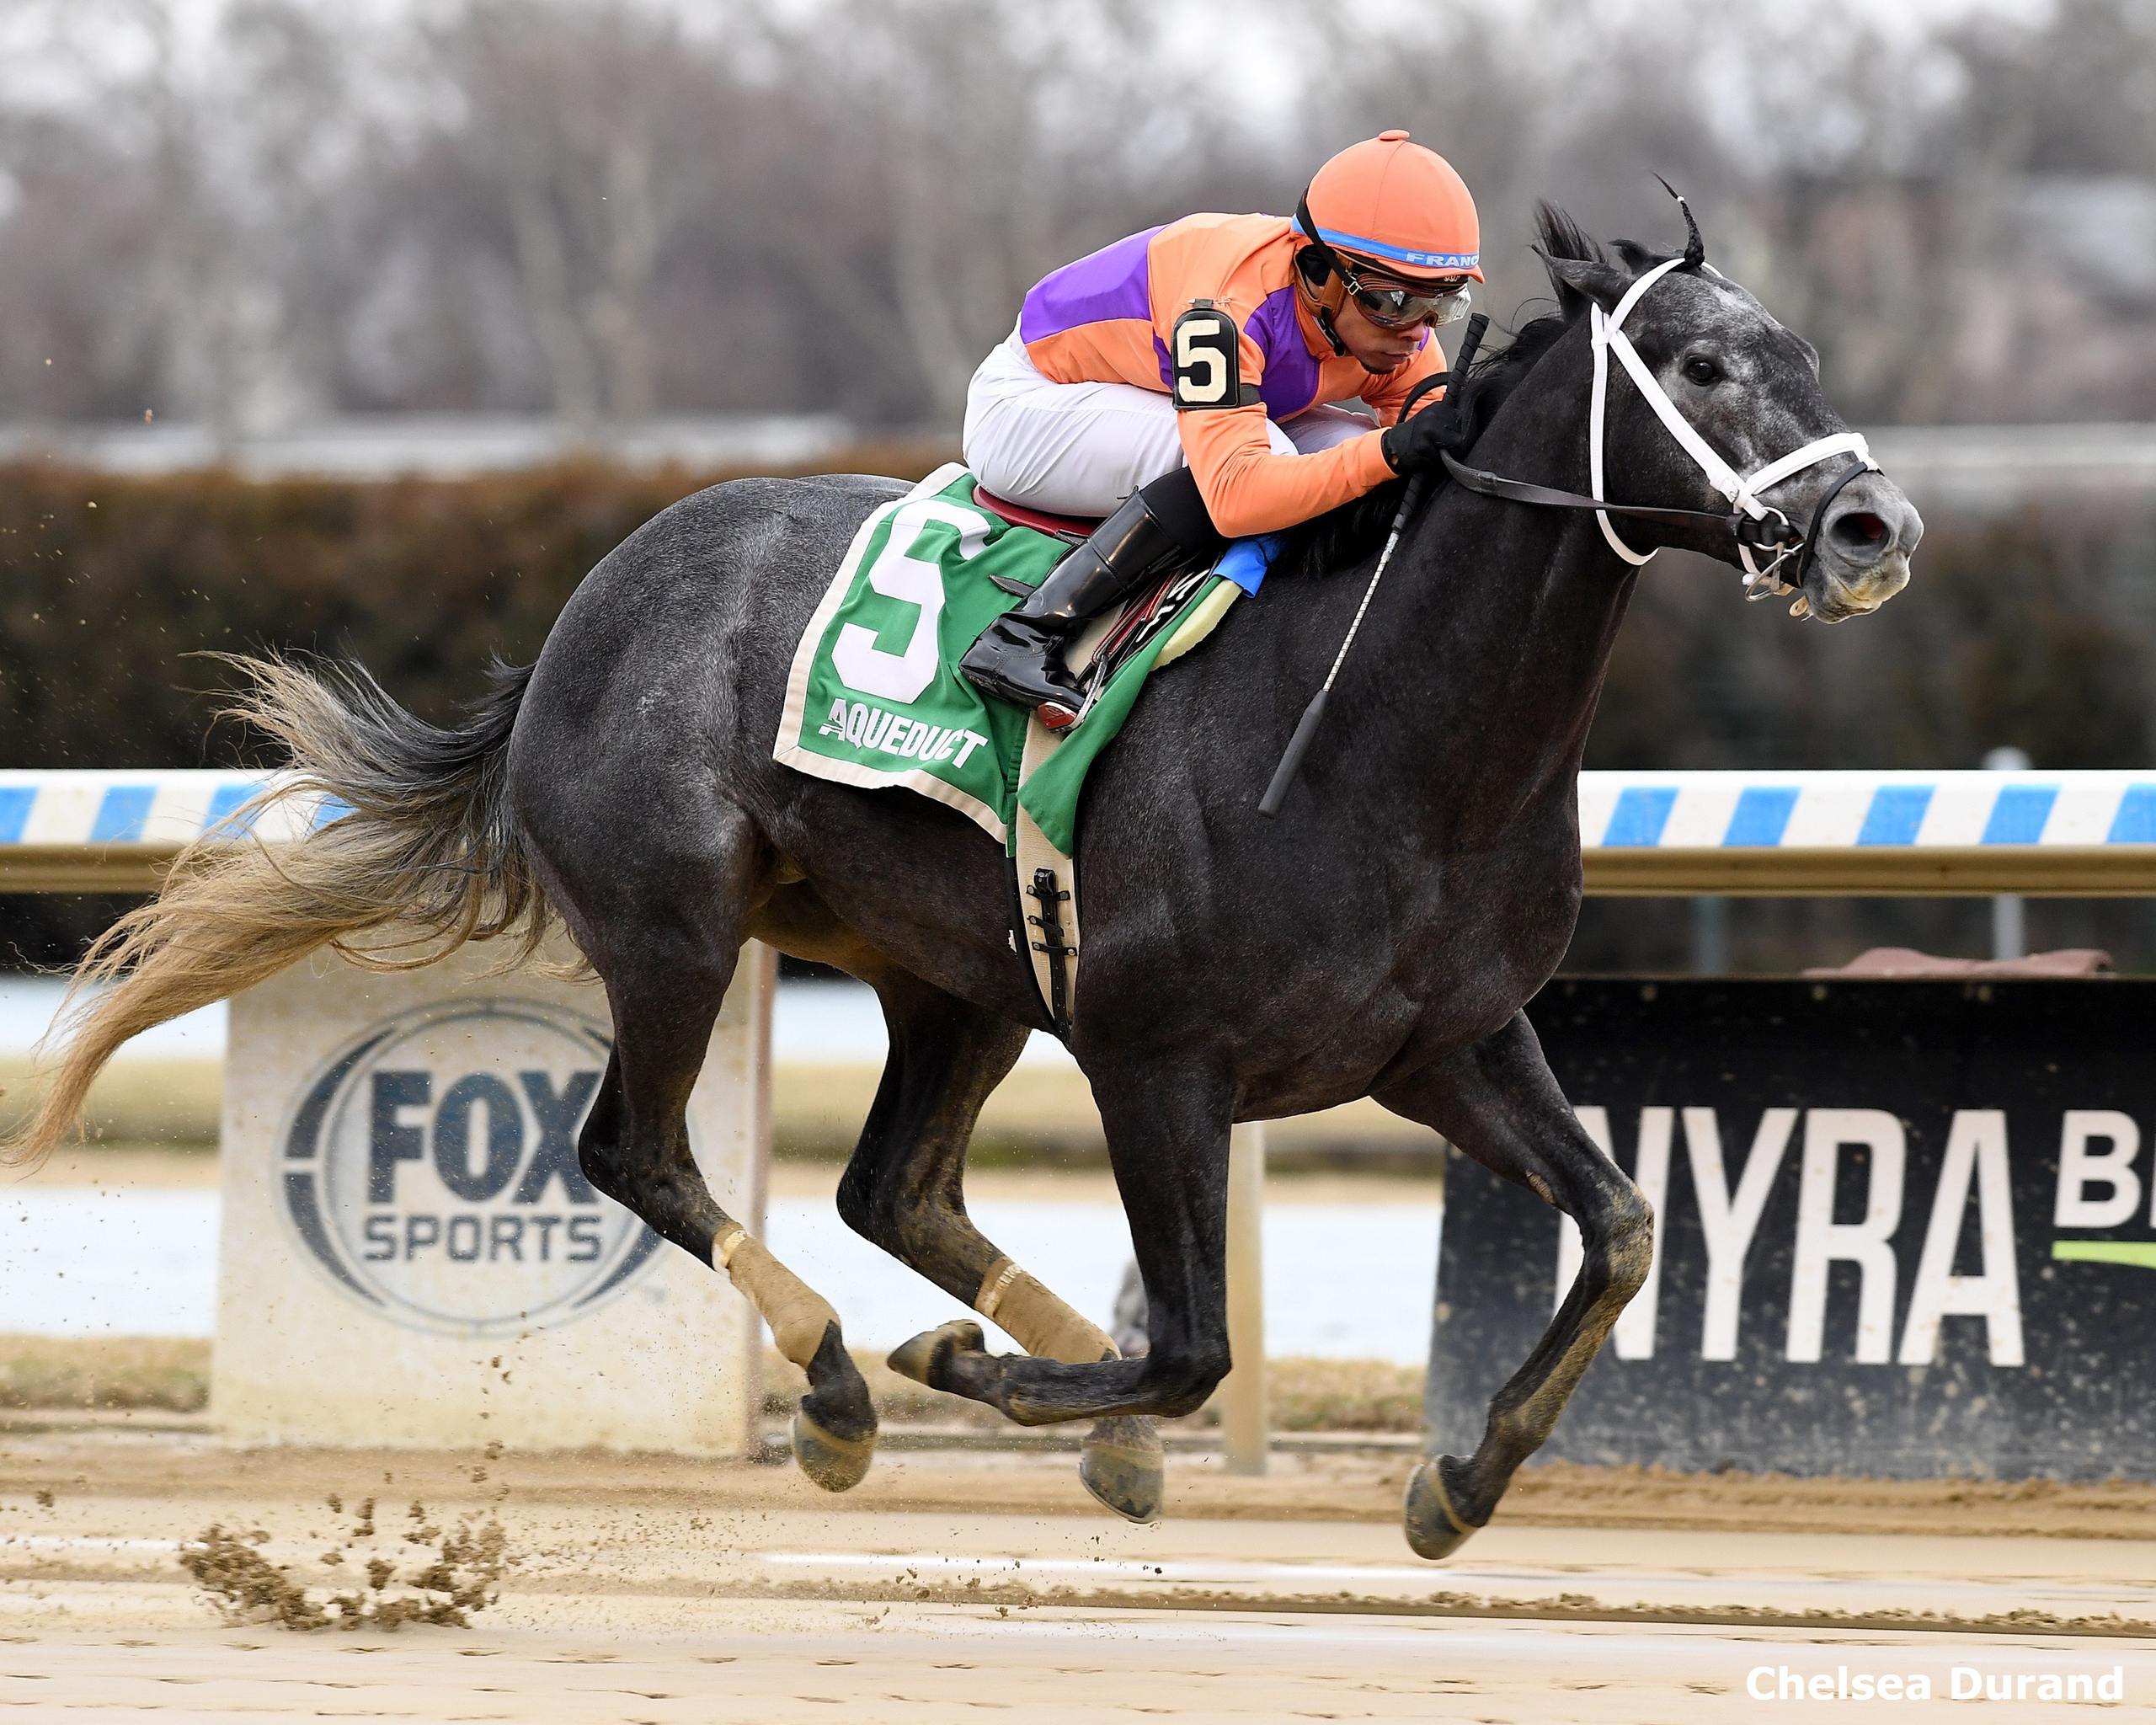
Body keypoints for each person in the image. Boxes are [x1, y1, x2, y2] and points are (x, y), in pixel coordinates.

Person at [959, 130, 1483, 721]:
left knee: (1354, 458)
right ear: (1318, 272)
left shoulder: (1391, 325)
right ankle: (1024, 635)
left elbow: (1418, 456)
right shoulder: (1224, 308)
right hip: (1031, 403)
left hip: (1145, 391)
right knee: (1283, 464)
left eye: (1443, 300)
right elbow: (1236, 496)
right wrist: (1387, 452)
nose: (1417, 331)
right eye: (1393, 303)